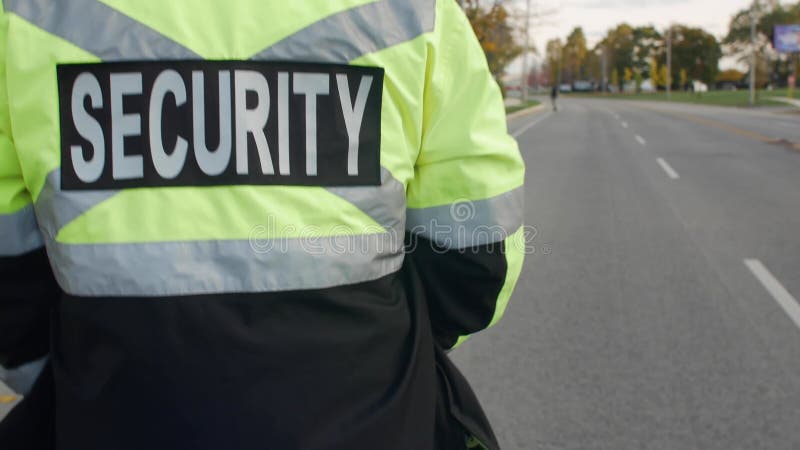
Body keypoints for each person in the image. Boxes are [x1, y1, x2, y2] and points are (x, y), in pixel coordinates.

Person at [0, 1, 525, 449]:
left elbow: (10, 282)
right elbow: (476, 255)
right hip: (370, 415)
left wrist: (77, 372)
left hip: (115, 415)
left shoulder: (25, 16)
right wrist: (387, 349)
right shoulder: (414, 12)